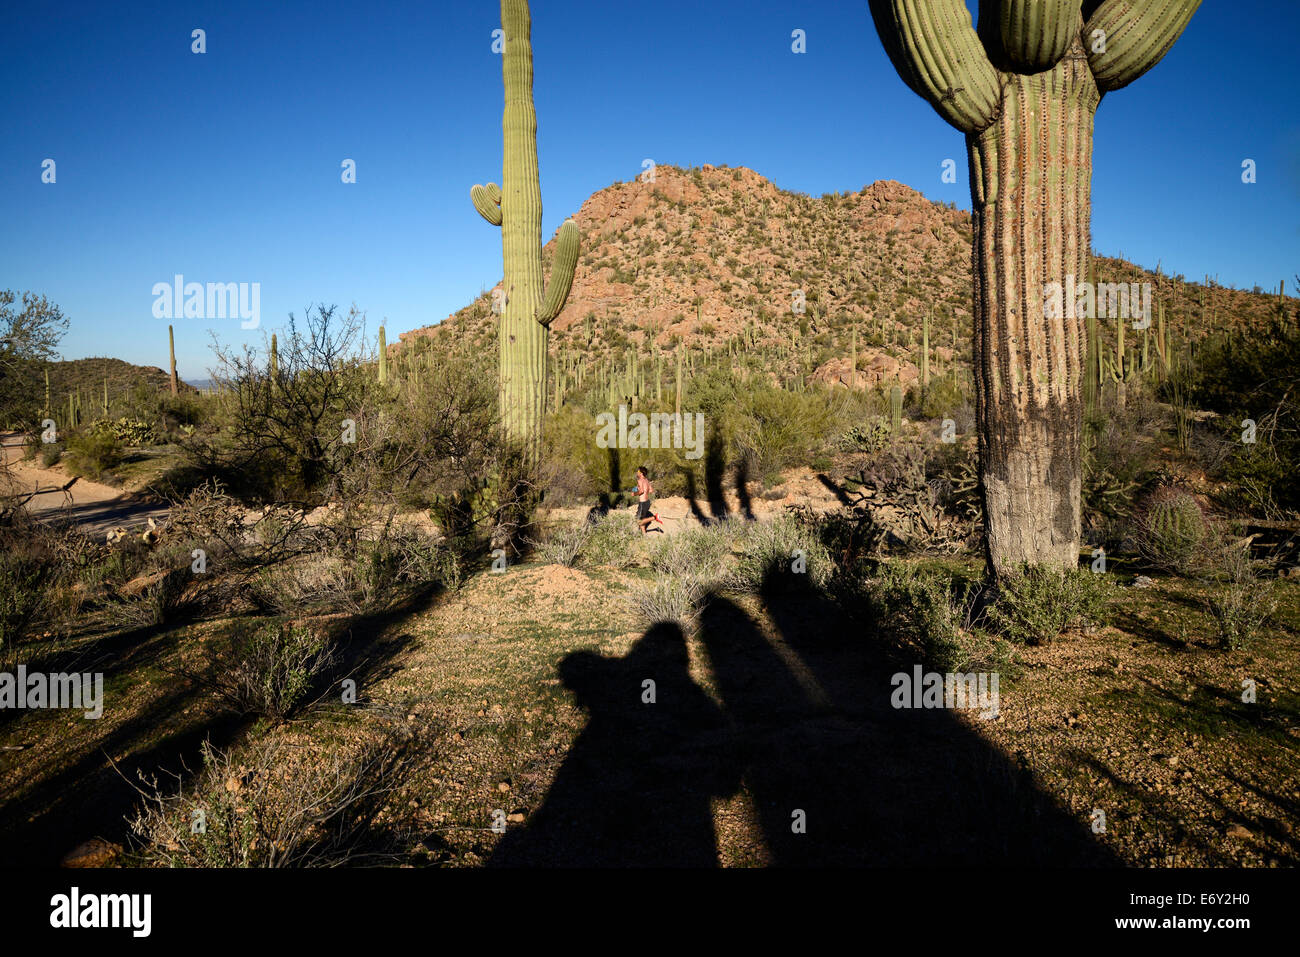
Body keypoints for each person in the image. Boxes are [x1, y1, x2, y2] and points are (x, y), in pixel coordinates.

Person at [631, 465, 663, 534]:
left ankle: (655, 517)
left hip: (642, 503)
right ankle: (644, 534)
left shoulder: (639, 480)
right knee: (642, 519)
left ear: (641, 473)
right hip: (647, 502)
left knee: (638, 520)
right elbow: (651, 490)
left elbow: (641, 491)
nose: (637, 472)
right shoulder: (646, 480)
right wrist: (640, 489)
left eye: (638, 471)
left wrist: (634, 494)